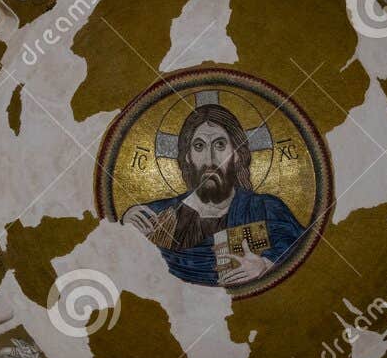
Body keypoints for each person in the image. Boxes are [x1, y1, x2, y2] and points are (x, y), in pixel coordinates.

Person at [121, 103, 306, 288]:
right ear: (188, 156)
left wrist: (266, 266)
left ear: (236, 154)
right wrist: (124, 227)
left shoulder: (266, 209)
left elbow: (301, 250)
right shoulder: (158, 215)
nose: (210, 160)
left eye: (220, 145)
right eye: (199, 146)